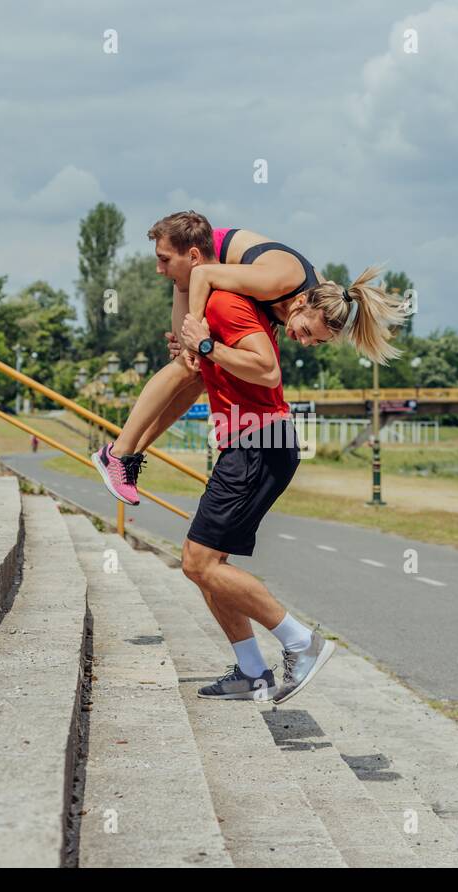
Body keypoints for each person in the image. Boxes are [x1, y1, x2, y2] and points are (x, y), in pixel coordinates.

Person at [91, 211, 405, 505]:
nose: (306, 341)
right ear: (300, 304)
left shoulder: (318, 303)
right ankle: (119, 453)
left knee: (200, 374)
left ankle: (126, 457)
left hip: (212, 271)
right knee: (188, 364)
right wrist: (194, 335)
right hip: (199, 257)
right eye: (307, 331)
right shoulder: (277, 282)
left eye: (315, 342)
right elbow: (202, 275)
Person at [178, 284, 332, 703]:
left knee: (198, 563)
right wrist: (191, 342)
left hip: (258, 443)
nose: (160, 270)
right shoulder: (236, 307)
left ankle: (300, 642)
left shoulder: (226, 304)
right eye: (309, 334)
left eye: (165, 260)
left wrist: (204, 343)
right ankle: (251, 671)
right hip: (255, 443)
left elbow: (266, 370)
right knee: (209, 564)